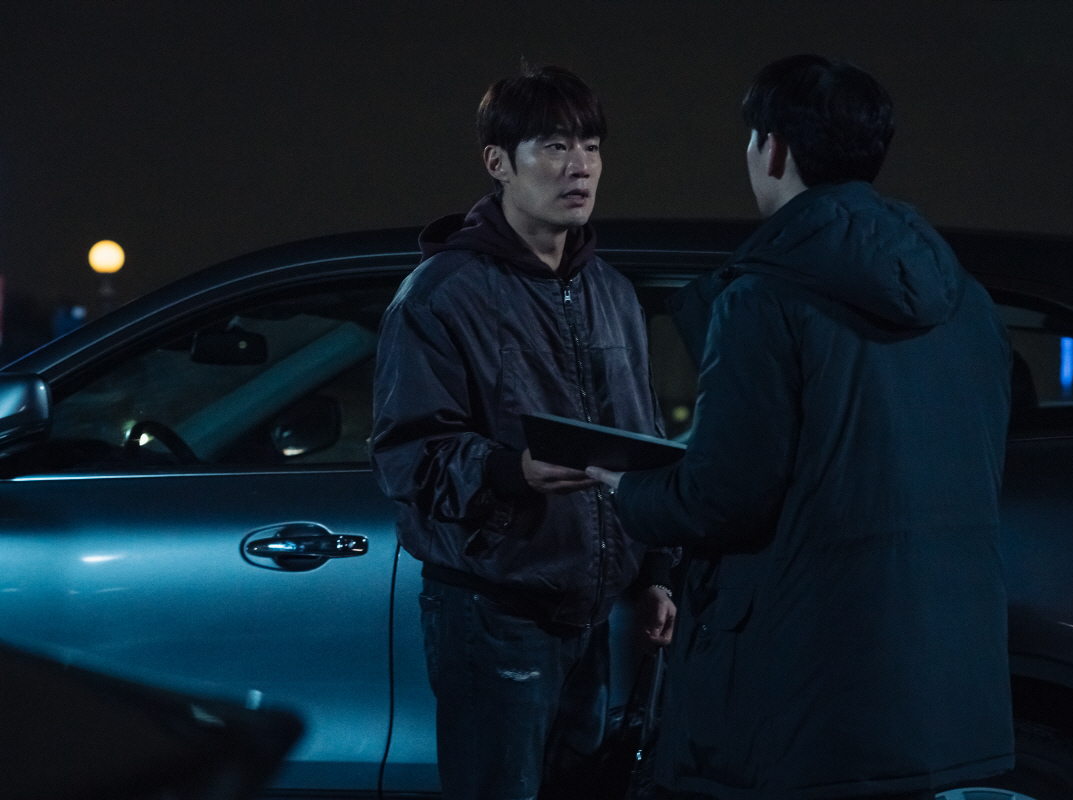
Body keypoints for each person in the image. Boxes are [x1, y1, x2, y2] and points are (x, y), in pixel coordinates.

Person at [588, 55, 1015, 800]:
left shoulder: (763, 299)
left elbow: (726, 494)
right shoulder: (966, 299)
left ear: (774, 148)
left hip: (802, 688)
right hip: (944, 686)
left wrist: (627, 489)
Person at [370, 65, 676, 800]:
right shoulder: (443, 294)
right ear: (498, 162)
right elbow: (408, 454)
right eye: (556, 147)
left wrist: (658, 573)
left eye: (592, 147)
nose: (581, 167)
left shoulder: (611, 292)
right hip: (495, 607)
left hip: (594, 614)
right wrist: (512, 471)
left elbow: (643, 440)